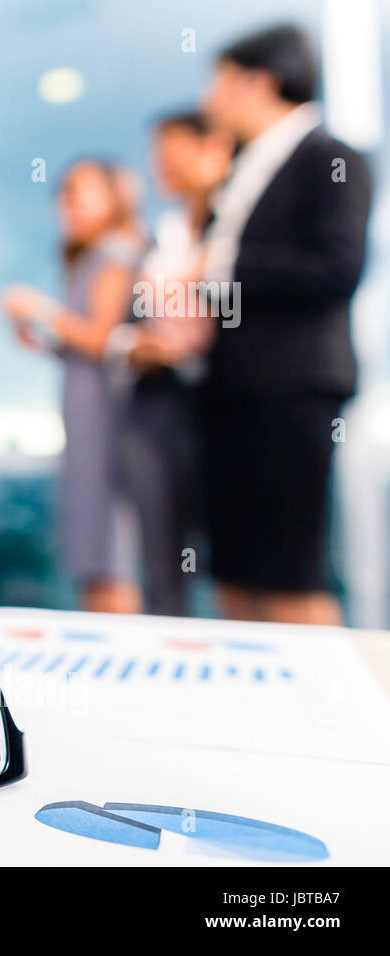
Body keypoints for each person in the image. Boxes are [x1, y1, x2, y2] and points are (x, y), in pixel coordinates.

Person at [149, 24, 372, 625]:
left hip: (288, 390)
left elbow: (337, 268)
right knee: (238, 575)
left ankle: (329, 718)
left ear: (259, 81)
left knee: (289, 577)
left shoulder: (332, 159)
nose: (208, 100)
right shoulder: (245, 169)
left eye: (217, 80)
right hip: (231, 390)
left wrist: (215, 266)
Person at [1, 161, 145, 614]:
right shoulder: (87, 258)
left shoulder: (116, 252)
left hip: (110, 422)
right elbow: (82, 344)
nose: (69, 206)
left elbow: (101, 338)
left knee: (111, 551)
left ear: (114, 198)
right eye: (64, 195)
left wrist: (41, 310)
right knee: (93, 554)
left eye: (81, 194)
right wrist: (46, 341)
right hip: (86, 423)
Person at [108, 111, 234, 615]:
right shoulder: (155, 240)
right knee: (161, 564)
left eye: (168, 150)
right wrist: (135, 348)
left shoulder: (236, 230)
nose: (158, 163)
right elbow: (121, 327)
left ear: (213, 151)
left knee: (233, 559)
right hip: (153, 412)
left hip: (222, 409)